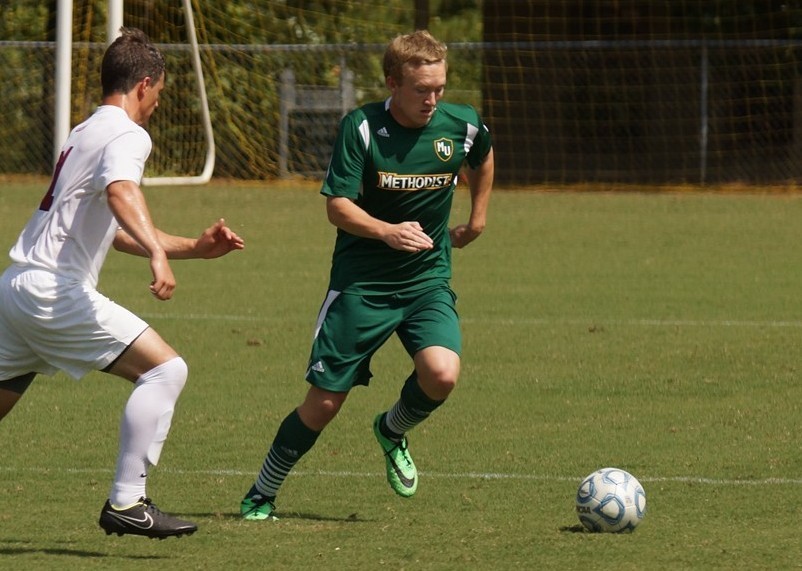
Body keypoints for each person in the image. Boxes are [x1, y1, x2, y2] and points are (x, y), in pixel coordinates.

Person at [0, 27, 245, 539]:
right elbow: (120, 194)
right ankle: (128, 502)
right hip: (53, 293)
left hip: (16, 288)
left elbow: (112, 230)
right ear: (145, 85)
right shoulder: (130, 135)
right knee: (166, 371)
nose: (157, 103)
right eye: (159, 92)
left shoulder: (85, 130)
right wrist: (158, 253)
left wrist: (192, 248)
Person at [240, 29, 494, 521]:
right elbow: (337, 207)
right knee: (324, 405)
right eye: (422, 89)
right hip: (363, 285)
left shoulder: (460, 125)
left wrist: (478, 217)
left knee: (442, 374)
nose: (432, 99)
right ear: (392, 82)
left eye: (439, 88)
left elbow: (482, 156)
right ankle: (262, 491)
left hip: (426, 280)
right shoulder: (360, 127)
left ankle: (392, 429)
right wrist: (386, 231)